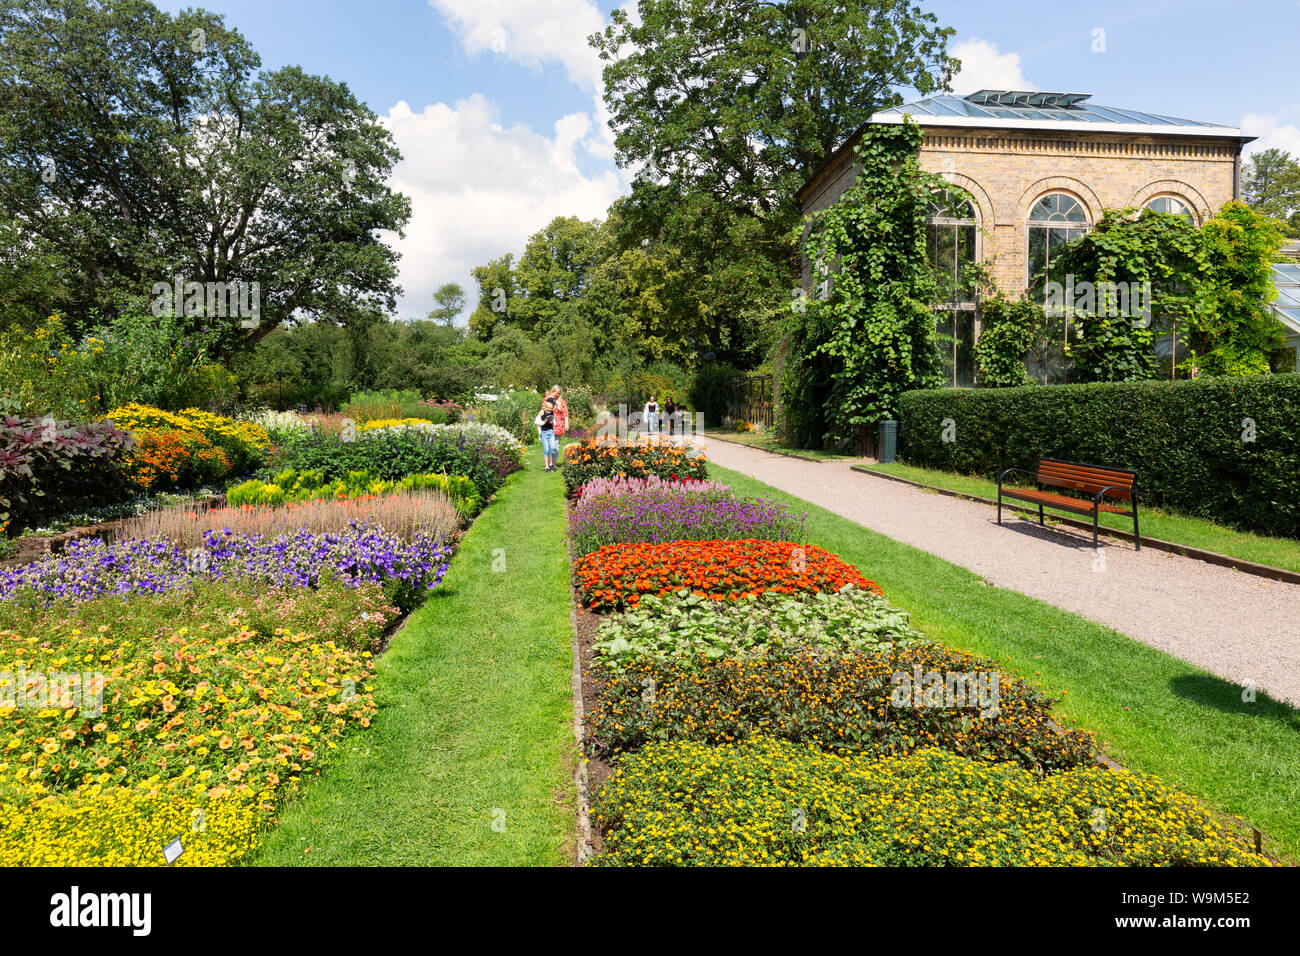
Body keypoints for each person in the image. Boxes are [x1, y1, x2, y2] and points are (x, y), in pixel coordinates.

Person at [536, 390, 558, 471]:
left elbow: (554, 423)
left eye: (551, 409)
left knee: (552, 448)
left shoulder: (552, 412)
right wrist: (544, 422)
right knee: (546, 450)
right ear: (546, 407)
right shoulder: (542, 412)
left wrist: (552, 422)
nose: (550, 411)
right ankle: (547, 466)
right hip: (544, 432)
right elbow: (536, 422)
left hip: (551, 432)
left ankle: (551, 463)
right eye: (548, 410)